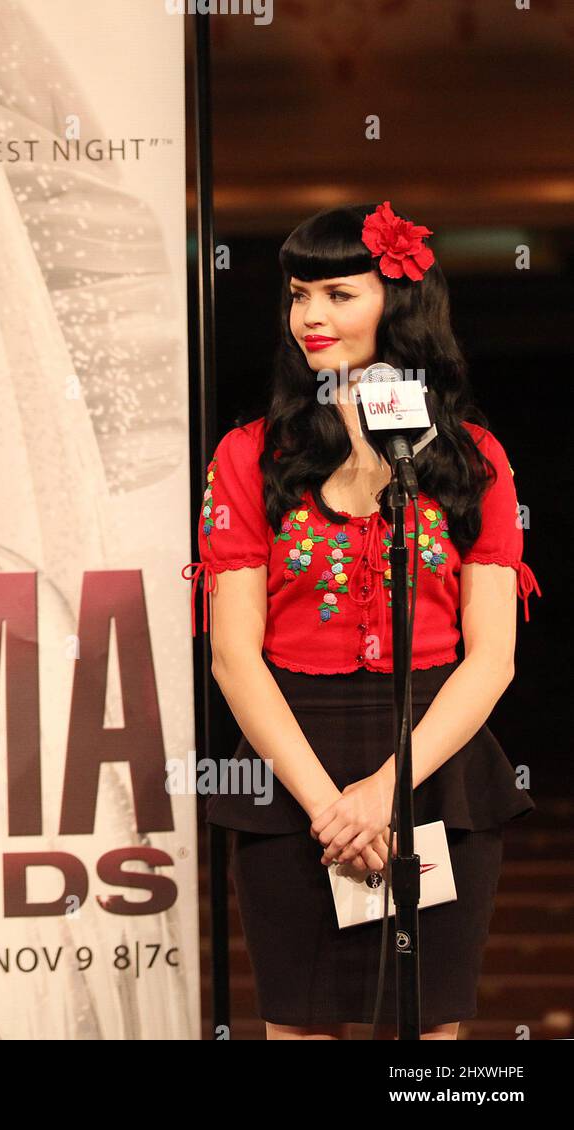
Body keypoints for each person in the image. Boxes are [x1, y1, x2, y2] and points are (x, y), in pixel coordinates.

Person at [183, 201, 541, 1040]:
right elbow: (235, 658)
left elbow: (492, 660)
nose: (310, 315)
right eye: (299, 293)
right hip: (293, 765)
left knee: (431, 1034)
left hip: (434, 761)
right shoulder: (250, 455)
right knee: (299, 1028)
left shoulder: (474, 458)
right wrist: (330, 808)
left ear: (399, 304)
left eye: (339, 294)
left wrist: (384, 791)